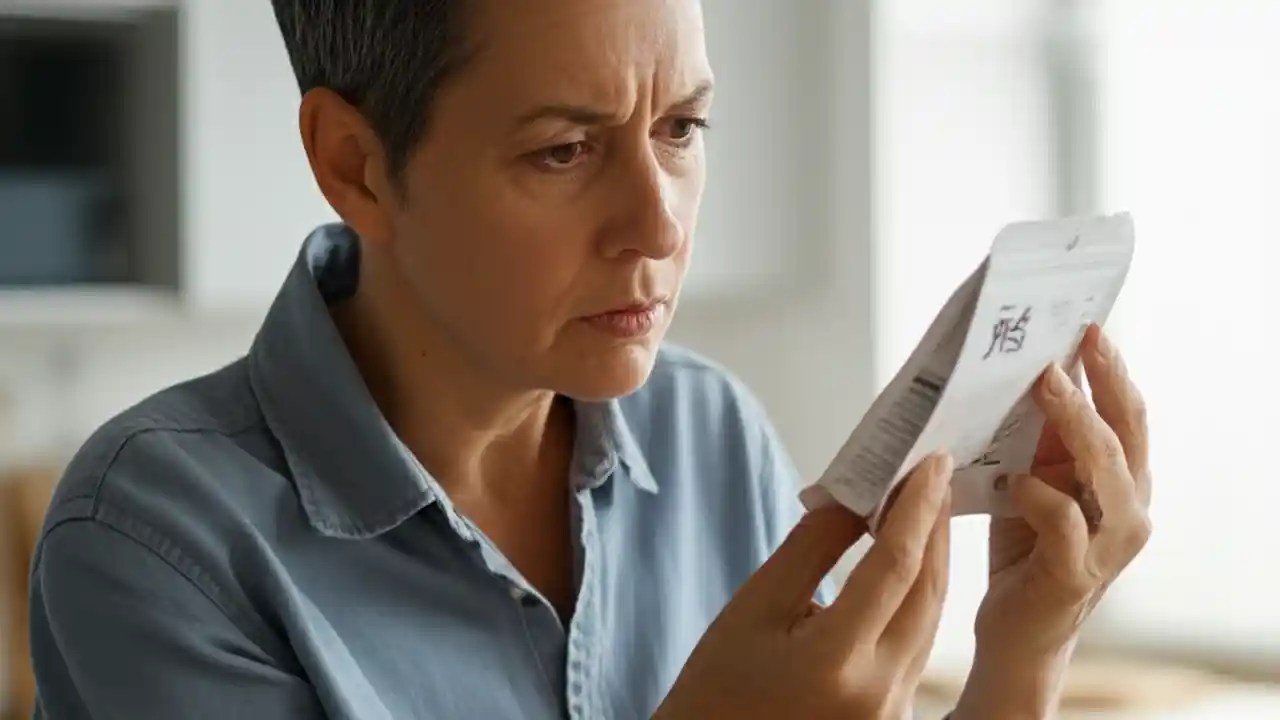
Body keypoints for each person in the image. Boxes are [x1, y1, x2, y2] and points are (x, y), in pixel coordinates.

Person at [27, 1, 1153, 718]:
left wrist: (1020, 652)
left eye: (681, 130)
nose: (658, 228)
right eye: (564, 150)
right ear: (357, 164)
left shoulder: (708, 435)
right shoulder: (152, 541)